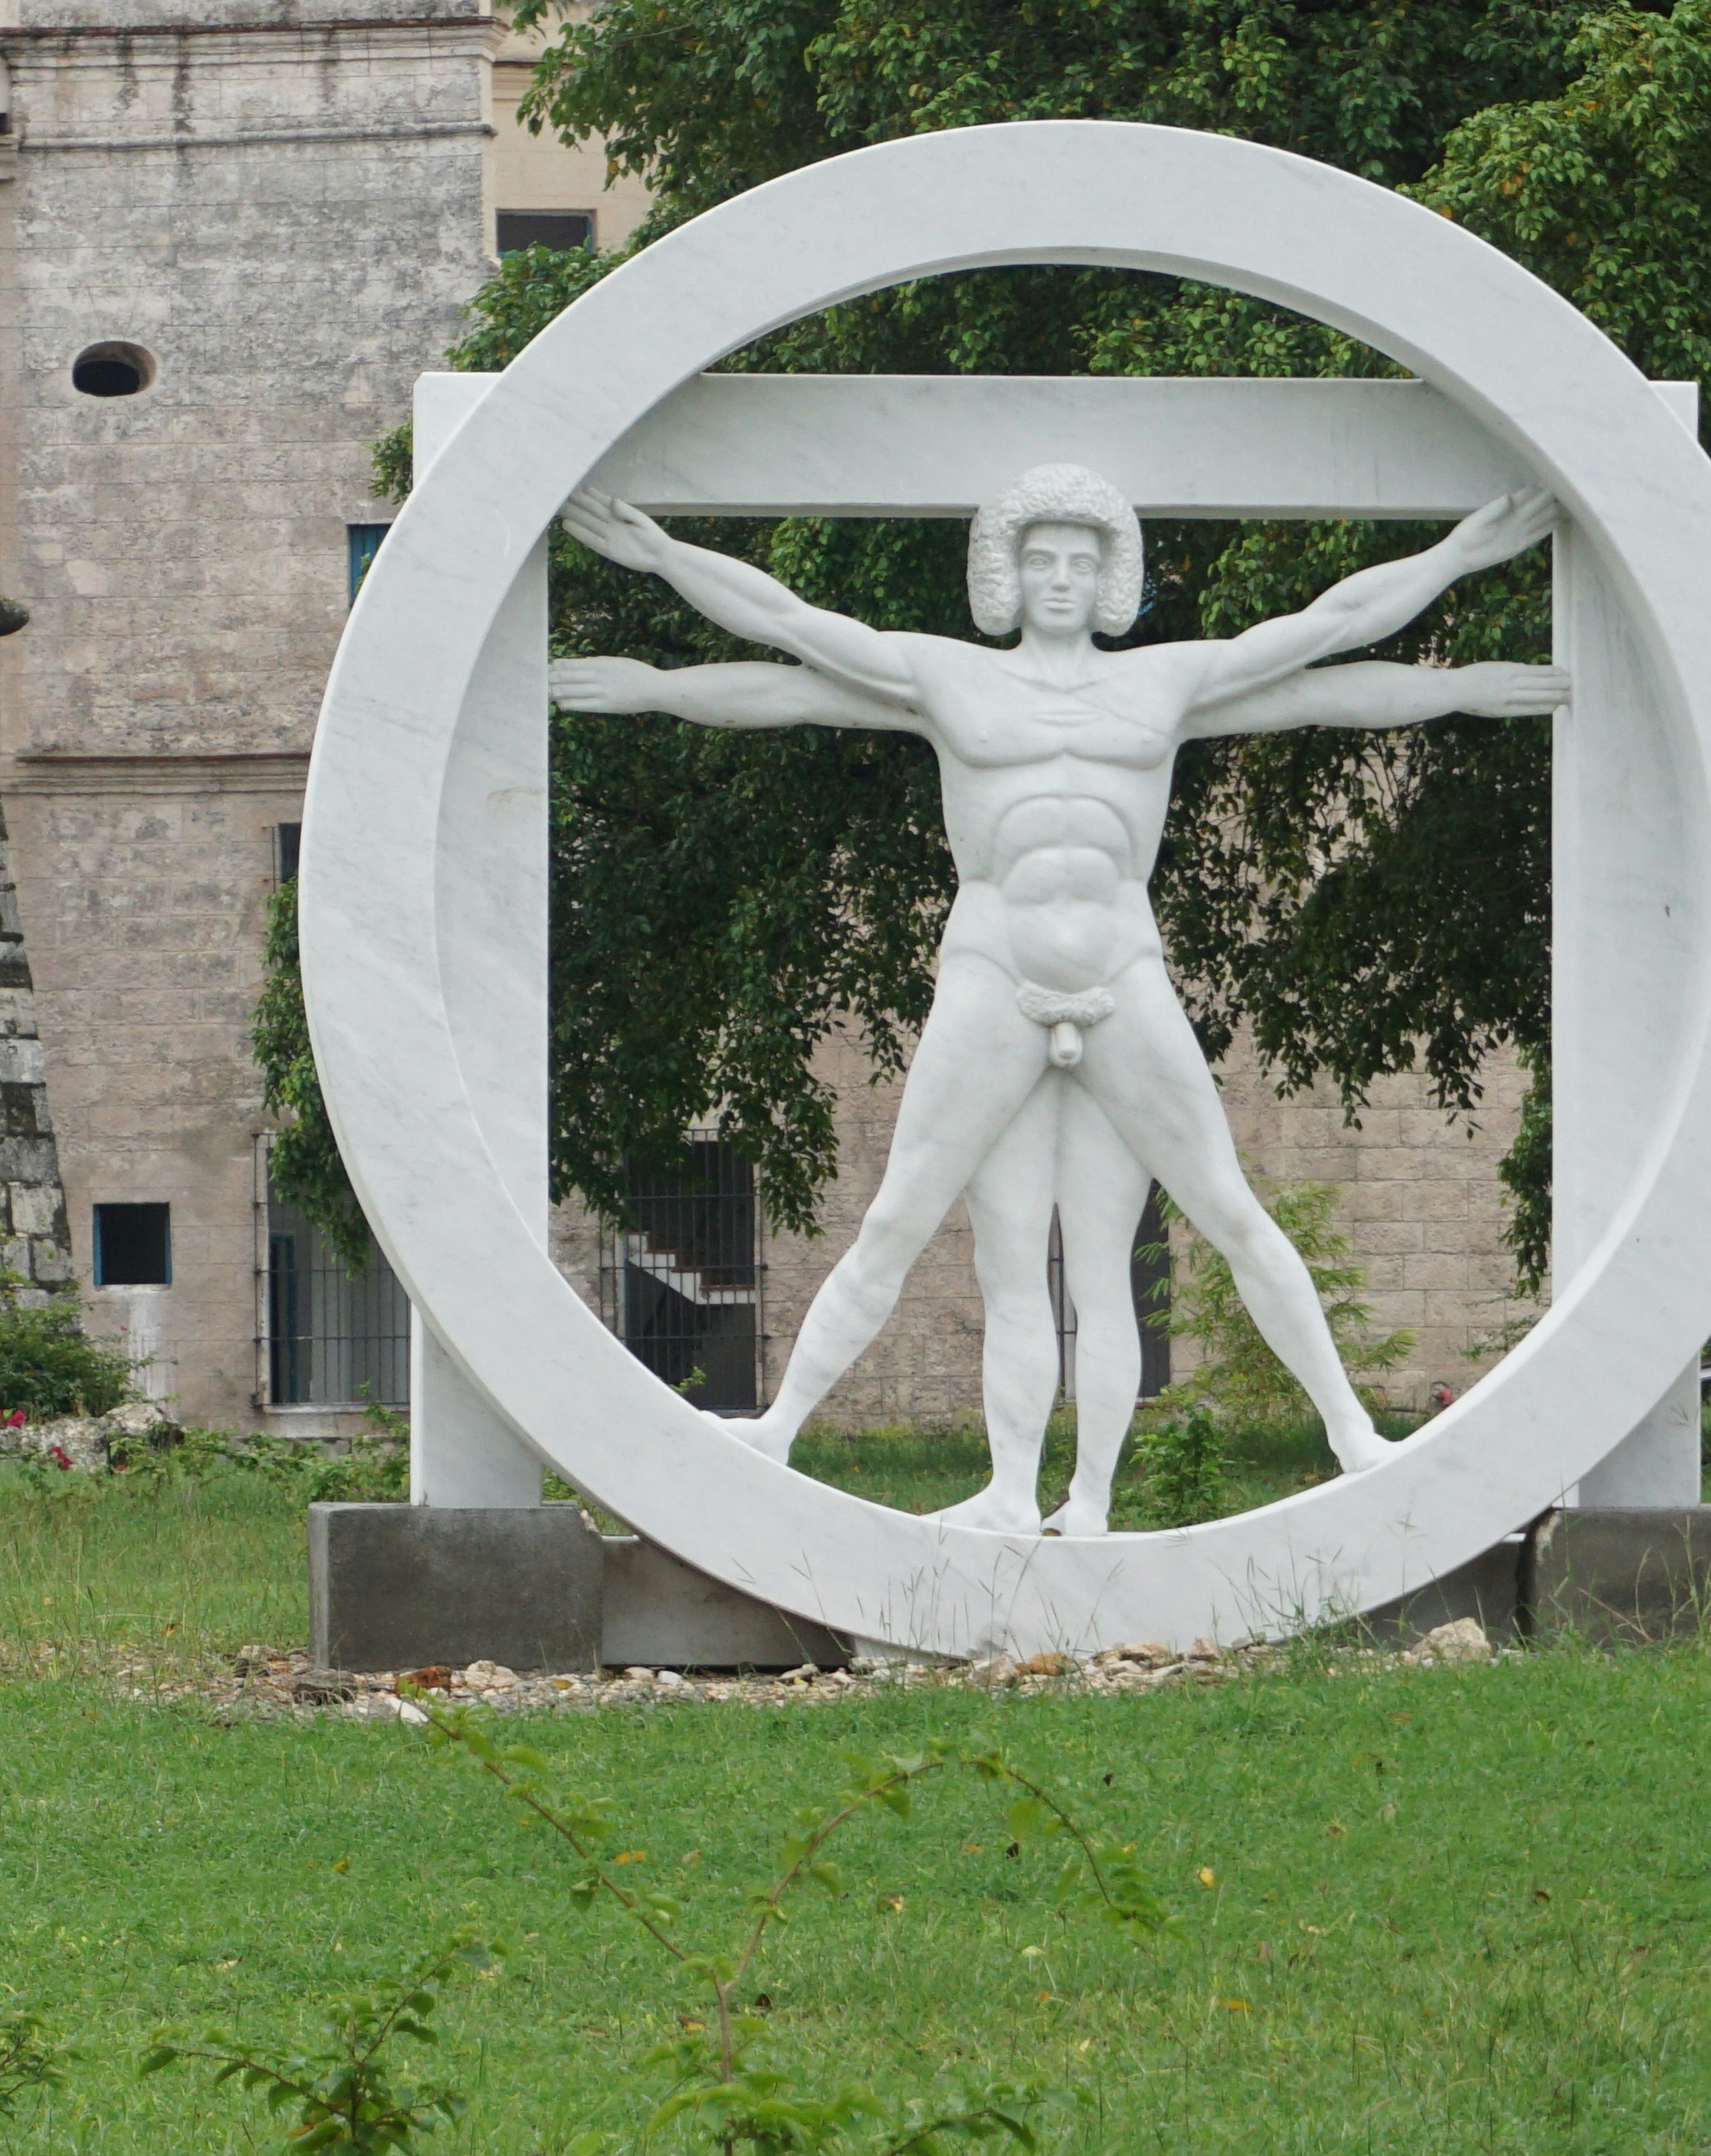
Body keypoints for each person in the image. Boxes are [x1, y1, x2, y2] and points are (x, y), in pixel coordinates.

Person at [550, 466, 1558, 1529]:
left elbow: (1328, 652)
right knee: (908, 1222)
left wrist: (1462, 591)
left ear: (1113, 577)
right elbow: (790, 649)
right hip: (994, 971)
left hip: (1123, 974)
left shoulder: (1167, 681)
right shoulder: (948, 676)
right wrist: (656, 594)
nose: (1064, 578)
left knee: (1226, 1211)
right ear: (1008, 575)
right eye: (1043, 560)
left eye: (1084, 560)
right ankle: (791, 1430)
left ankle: (1352, 1435)